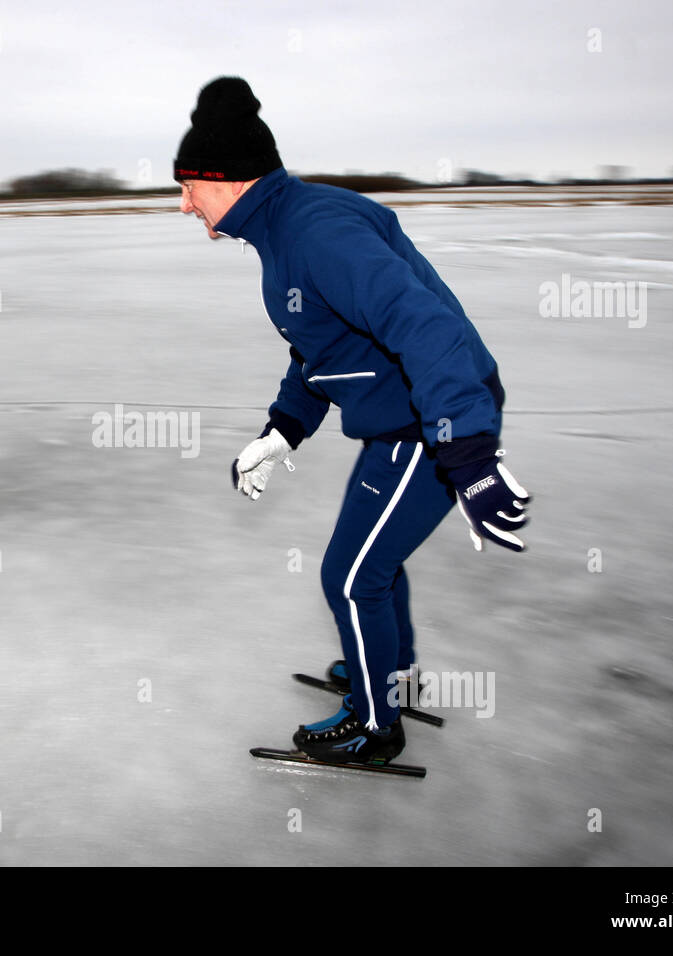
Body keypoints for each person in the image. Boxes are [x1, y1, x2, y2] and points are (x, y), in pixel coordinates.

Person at [174, 76, 531, 766]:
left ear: (229, 180)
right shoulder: (285, 226)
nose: (183, 204)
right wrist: (283, 430)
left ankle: (374, 725)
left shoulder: (317, 231)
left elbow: (420, 323)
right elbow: (323, 345)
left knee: (350, 575)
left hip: (427, 424)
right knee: (373, 560)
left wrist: (468, 450)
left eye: (189, 186)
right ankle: (387, 673)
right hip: (402, 416)